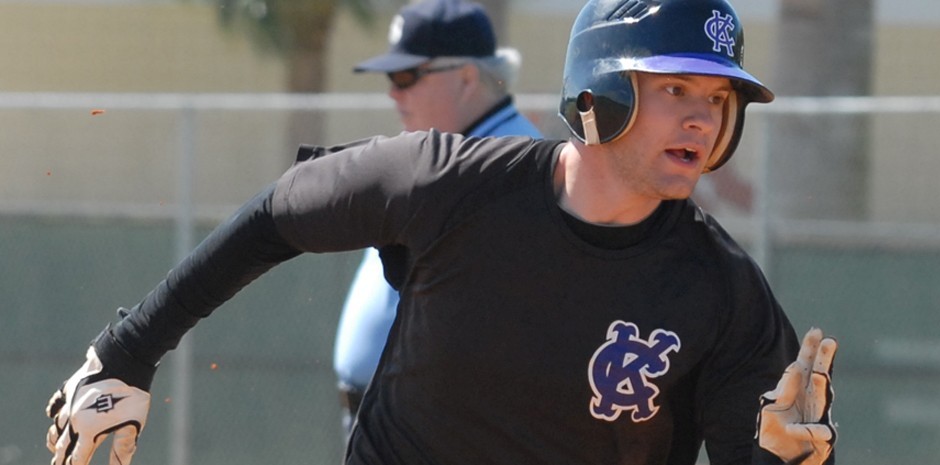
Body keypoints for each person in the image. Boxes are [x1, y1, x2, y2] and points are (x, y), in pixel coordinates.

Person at [44, 0, 839, 464]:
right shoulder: (448, 183)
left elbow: (757, 451)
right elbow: (278, 213)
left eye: (719, 98)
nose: (703, 115)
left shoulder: (722, 290)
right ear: (601, 93)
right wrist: (128, 353)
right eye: (676, 88)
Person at [334, 0, 543, 430]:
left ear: (466, 77)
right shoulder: (444, 157)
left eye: (407, 75)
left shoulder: (512, 164)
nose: (393, 92)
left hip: (443, 431)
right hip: (394, 423)